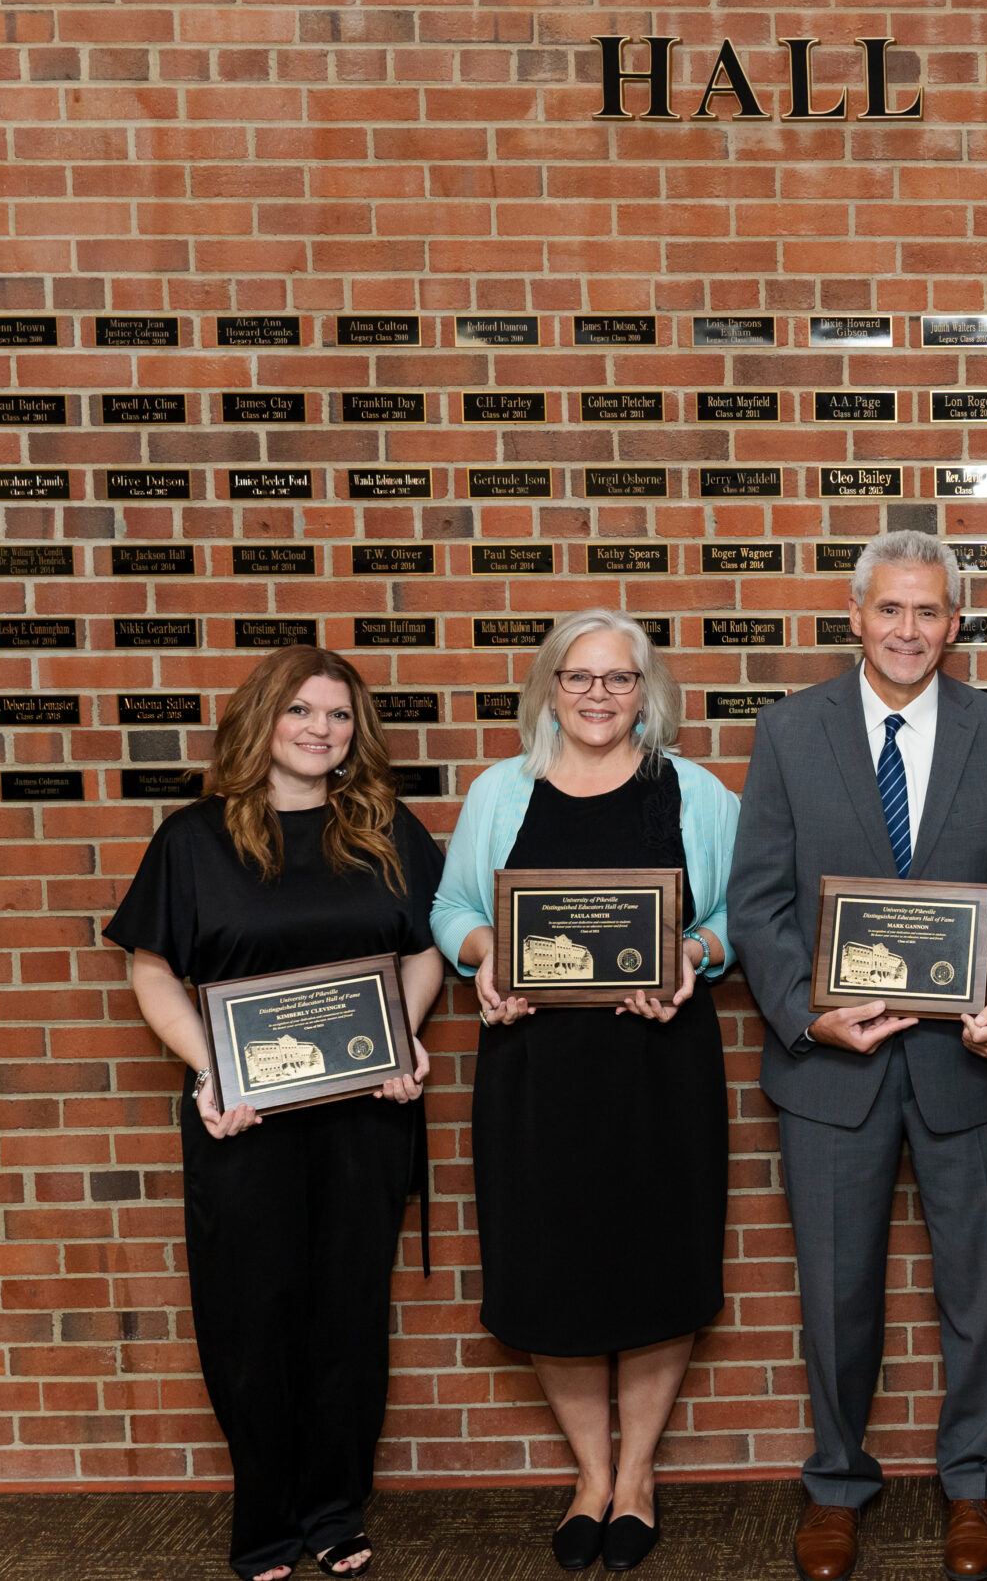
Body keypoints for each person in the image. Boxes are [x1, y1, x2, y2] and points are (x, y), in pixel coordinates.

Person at [726, 530, 987, 1581]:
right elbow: (760, 905)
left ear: (954, 624)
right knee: (835, 1291)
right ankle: (836, 1482)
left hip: (965, 1062)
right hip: (830, 1069)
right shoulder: (788, 734)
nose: (908, 631)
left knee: (976, 1288)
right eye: (891, 610)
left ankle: (973, 1483)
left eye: (930, 613)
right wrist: (803, 1014)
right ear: (856, 615)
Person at [106, 645, 444, 1581]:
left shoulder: (381, 830)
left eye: (338, 717)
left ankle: (334, 1508)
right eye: (301, 711)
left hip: (364, 1115)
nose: (320, 731)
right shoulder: (194, 838)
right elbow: (150, 967)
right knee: (249, 1316)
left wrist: (403, 1034)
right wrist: (211, 1068)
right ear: (263, 719)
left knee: (346, 1314)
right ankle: (264, 1519)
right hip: (243, 1119)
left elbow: (423, 950)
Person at [431, 610, 739, 1574]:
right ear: (549, 688)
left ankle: (637, 1476)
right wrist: (483, 959)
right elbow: (453, 911)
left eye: (619, 679)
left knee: (653, 1265)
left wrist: (694, 950)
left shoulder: (695, 792)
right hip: (535, 1071)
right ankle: (590, 1476)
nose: (598, 695)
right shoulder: (497, 791)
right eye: (580, 677)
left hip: (659, 1068)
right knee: (552, 1270)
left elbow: (734, 914)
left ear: (647, 692)